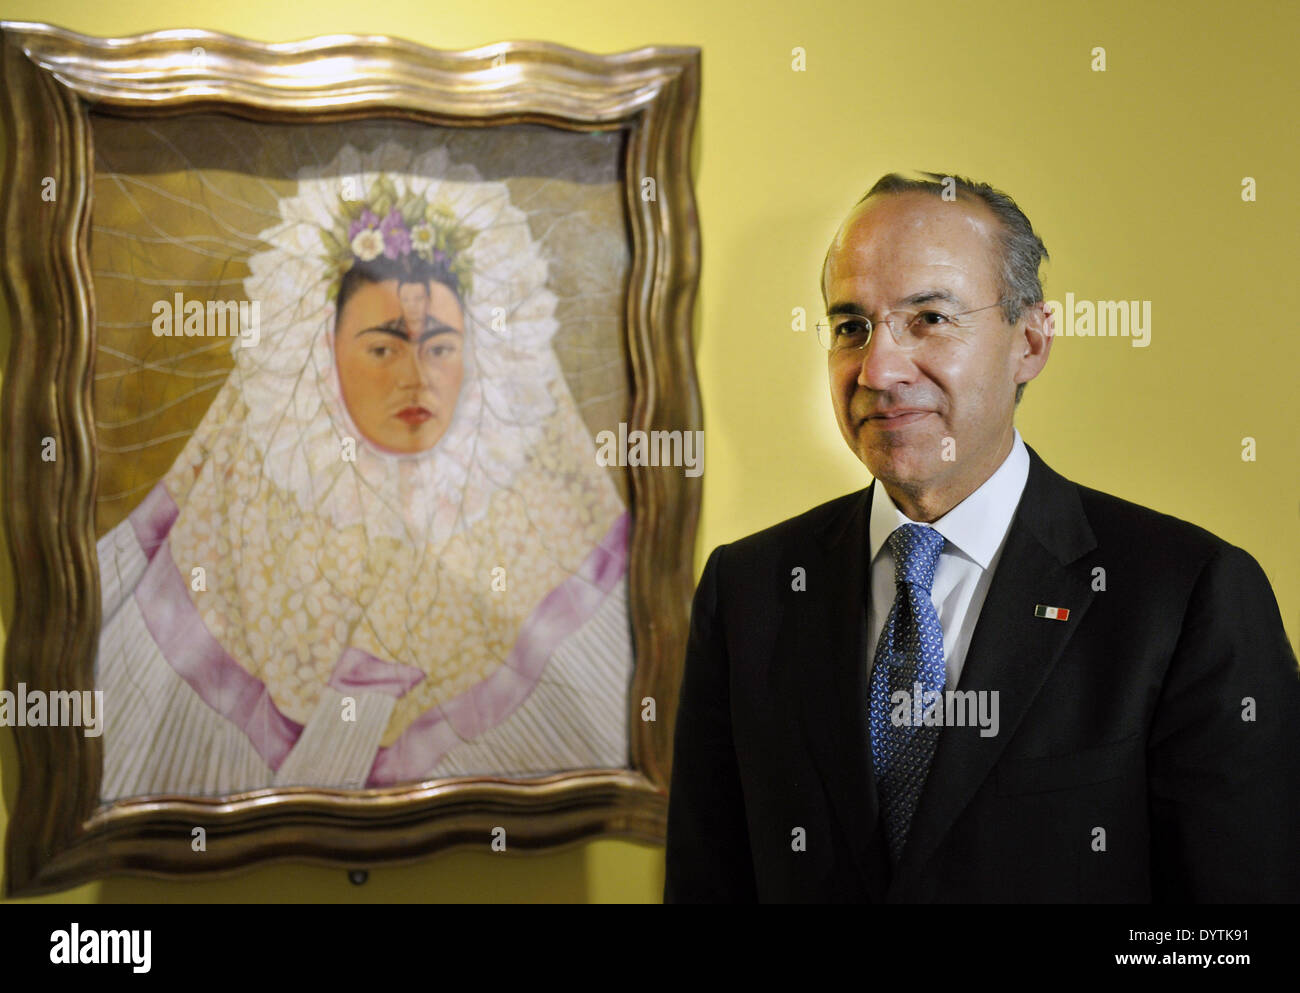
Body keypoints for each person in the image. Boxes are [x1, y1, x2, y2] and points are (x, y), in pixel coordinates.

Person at [664, 171, 1300, 902]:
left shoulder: (1188, 595)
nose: (879, 368)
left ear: (1029, 341)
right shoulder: (748, 589)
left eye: (929, 318)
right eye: (850, 327)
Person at [96, 143, 633, 799]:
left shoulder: (530, 529)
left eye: (441, 346)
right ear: (324, 354)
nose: (417, 377)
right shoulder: (244, 514)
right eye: (383, 347)